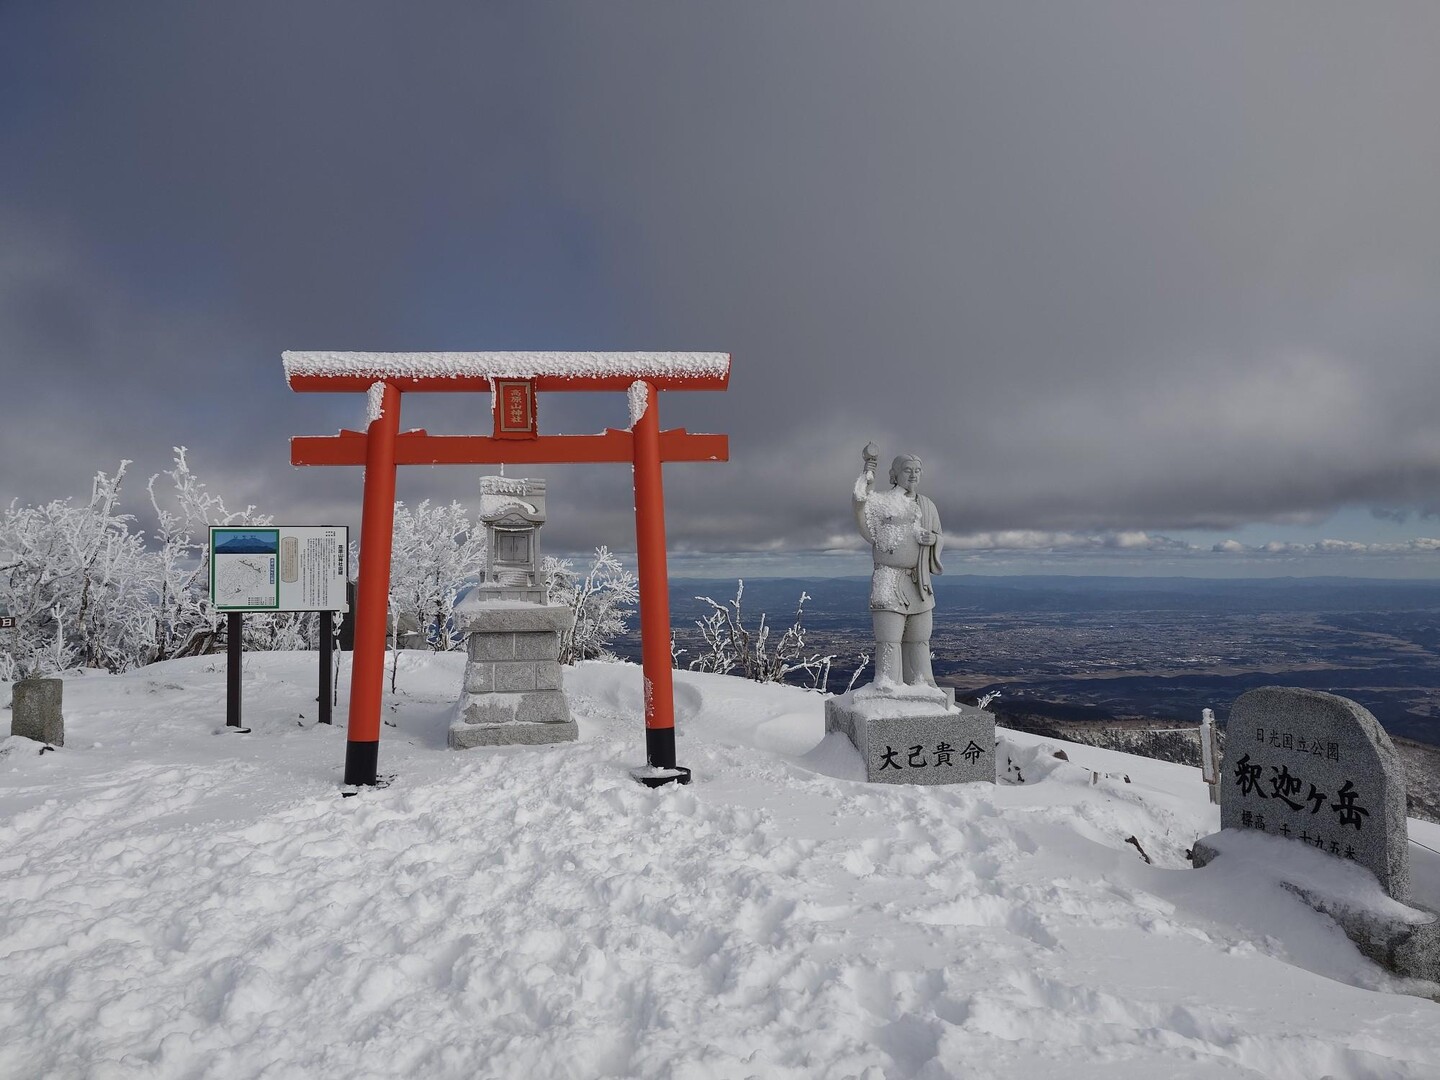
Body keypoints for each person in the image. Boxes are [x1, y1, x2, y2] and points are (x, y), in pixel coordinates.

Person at [852, 443, 943, 689]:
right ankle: (888, 683)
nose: (913, 475)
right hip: (889, 579)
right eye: (907, 470)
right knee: (889, 639)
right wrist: (867, 474)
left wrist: (934, 540)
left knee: (920, 638)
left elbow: (939, 536)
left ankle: (922, 682)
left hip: (919, 581)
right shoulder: (882, 502)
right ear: (894, 474)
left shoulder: (927, 506)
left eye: (917, 470)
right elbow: (862, 506)